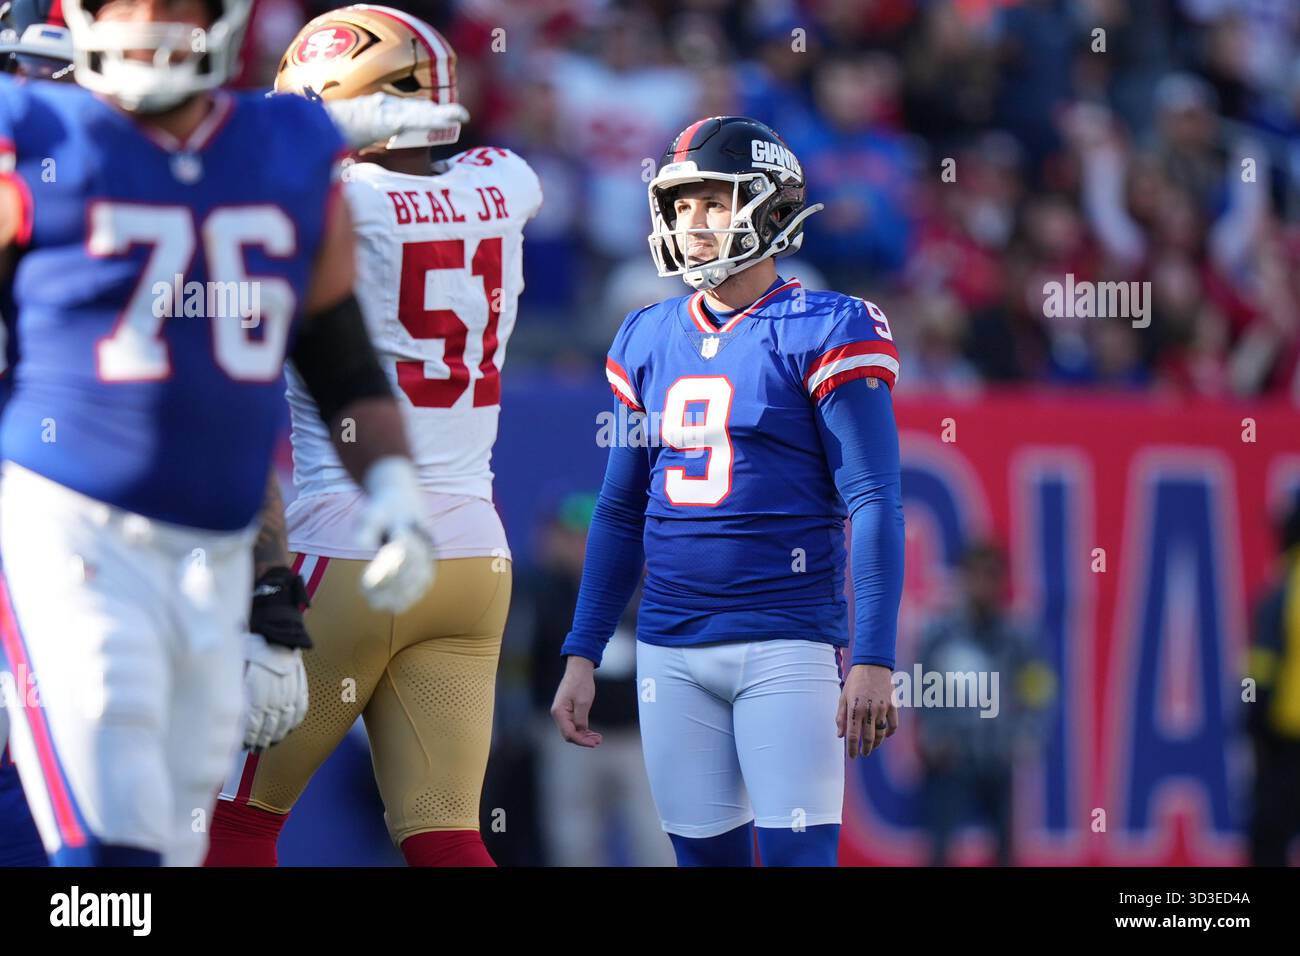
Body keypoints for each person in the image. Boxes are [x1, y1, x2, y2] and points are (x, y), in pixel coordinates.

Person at [0, 0, 445, 866]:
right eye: (124, 10)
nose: (149, 30)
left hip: (211, 551)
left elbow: (340, 357)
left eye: (173, 9)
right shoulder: (35, 133)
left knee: (172, 849)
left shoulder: (280, 151)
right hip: (70, 534)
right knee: (103, 849)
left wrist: (389, 487)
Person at [205, 4, 542, 868]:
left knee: (230, 822)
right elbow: (480, 163)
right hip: (473, 554)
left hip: (347, 545)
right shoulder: (506, 181)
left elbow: (223, 160)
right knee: (445, 834)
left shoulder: (335, 202)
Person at [550, 116, 906, 867]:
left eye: (713, 201)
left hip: (786, 639)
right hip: (670, 646)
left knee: (797, 861)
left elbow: (874, 500)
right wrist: (583, 650)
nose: (694, 222)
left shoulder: (825, 325)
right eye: (682, 205)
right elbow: (620, 510)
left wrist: (873, 656)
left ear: (771, 208)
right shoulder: (646, 335)